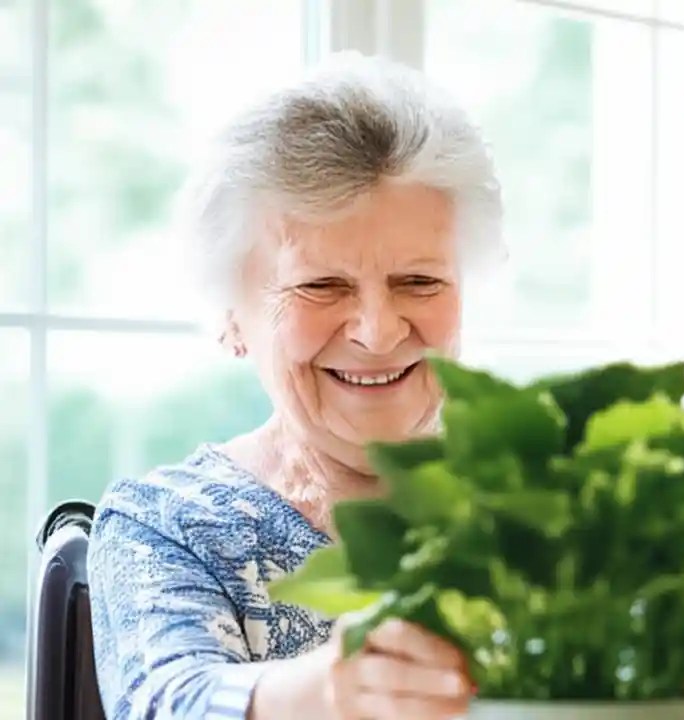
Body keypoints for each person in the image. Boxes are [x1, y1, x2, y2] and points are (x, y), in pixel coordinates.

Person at [87, 52, 502, 720]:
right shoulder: (169, 525)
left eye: (419, 282)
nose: (377, 330)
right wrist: (322, 694)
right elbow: (166, 701)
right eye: (320, 286)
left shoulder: (535, 501)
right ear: (232, 317)